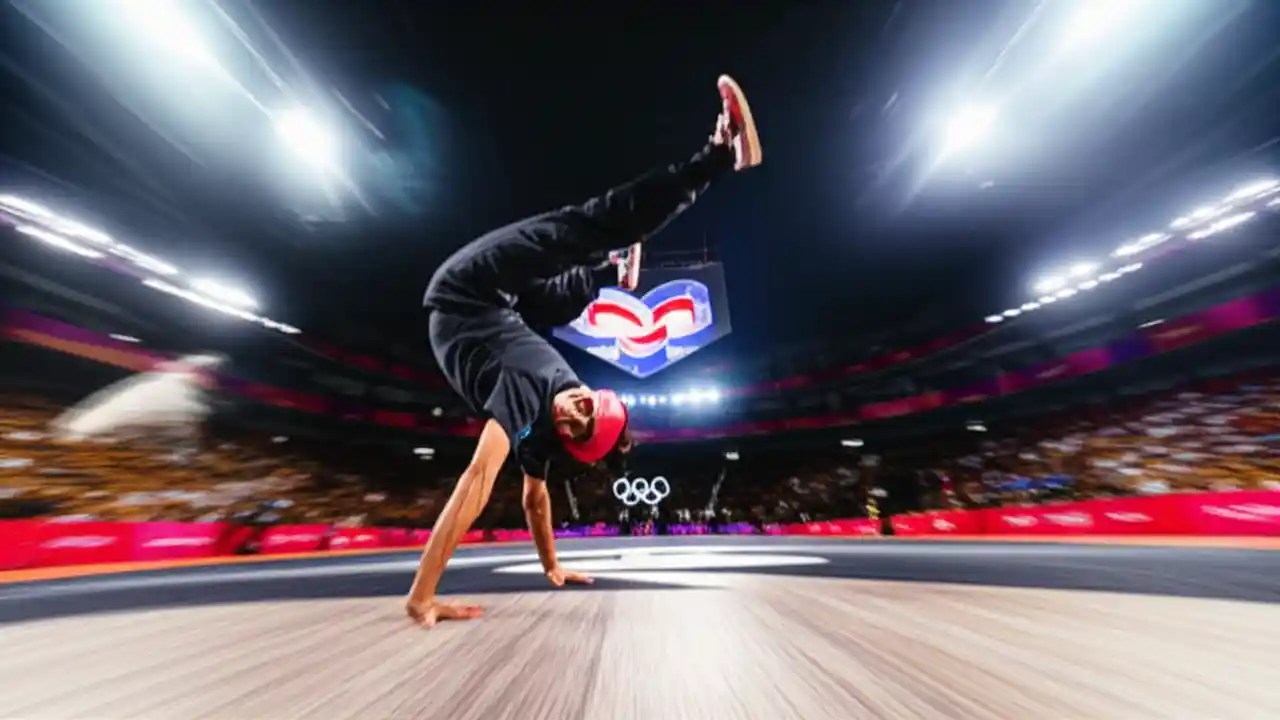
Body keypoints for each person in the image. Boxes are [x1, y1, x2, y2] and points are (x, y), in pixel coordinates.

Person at [406, 75, 762, 627]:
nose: (574, 405)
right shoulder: (555, 420)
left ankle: (717, 155)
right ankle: (611, 275)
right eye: (588, 401)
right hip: (504, 308)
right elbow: (535, 502)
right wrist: (552, 567)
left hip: (463, 295)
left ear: (565, 438)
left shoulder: (524, 406)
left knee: (579, 229)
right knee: (555, 307)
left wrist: (423, 594)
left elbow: (477, 481)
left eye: (576, 421)